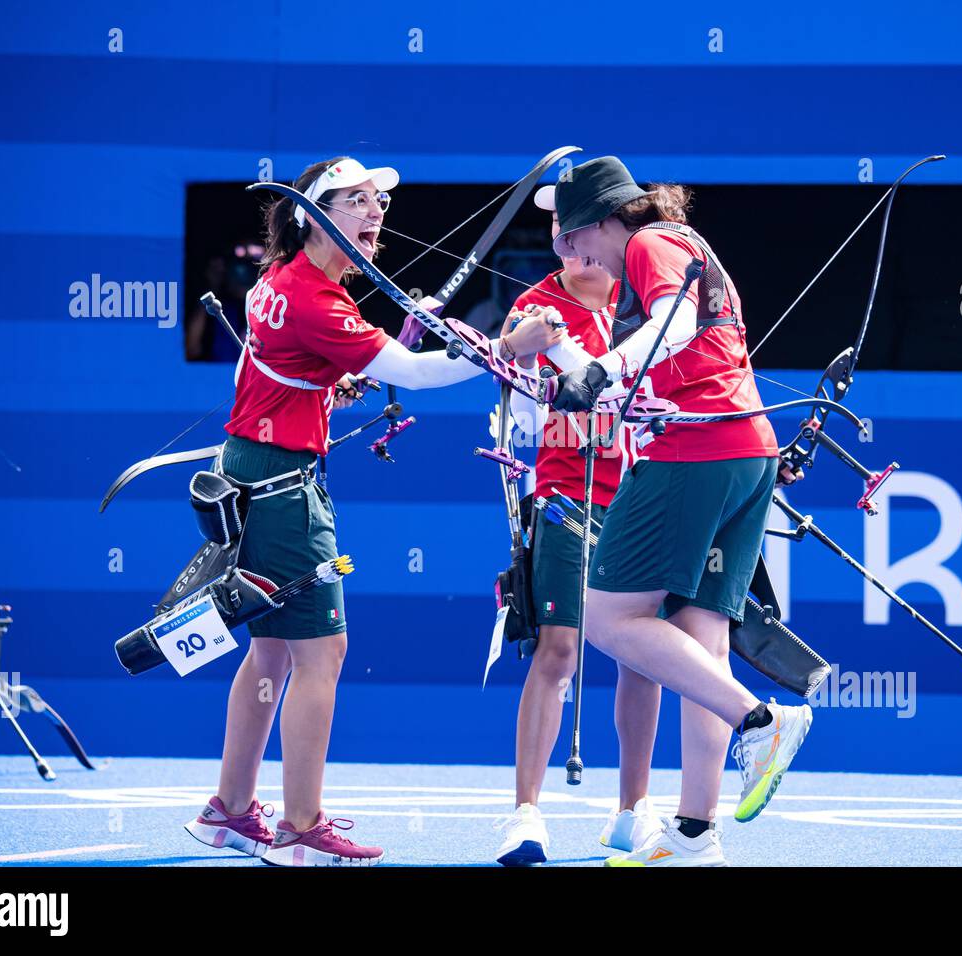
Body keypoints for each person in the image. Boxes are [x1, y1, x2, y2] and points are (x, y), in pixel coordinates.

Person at [182, 156, 562, 866]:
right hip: (282, 488)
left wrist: (325, 386)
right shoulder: (316, 300)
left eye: (378, 201)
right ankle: (298, 828)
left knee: (270, 650)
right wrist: (509, 347)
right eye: (356, 201)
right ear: (313, 215)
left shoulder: (283, 283)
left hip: (249, 471)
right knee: (321, 651)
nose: (375, 212)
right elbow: (416, 373)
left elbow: (268, 369)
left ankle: (229, 809)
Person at [549, 156, 813, 867]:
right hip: (746, 450)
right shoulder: (682, 244)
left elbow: (677, 321)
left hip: (694, 453)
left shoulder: (649, 243)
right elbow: (657, 360)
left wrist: (603, 369)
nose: (571, 254)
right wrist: (575, 364)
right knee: (702, 642)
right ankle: (696, 831)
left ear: (606, 218)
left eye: (572, 237)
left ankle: (761, 720)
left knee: (608, 617)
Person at [493, 185, 662, 865]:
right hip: (568, 495)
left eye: (573, 220)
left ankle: (632, 811)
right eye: (555, 221)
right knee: (558, 650)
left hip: (646, 496)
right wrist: (519, 348)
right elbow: (506, 369)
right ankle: (525, 815)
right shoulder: (537, 304)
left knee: (643, 654)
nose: (563, 232)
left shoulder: (652, 298)